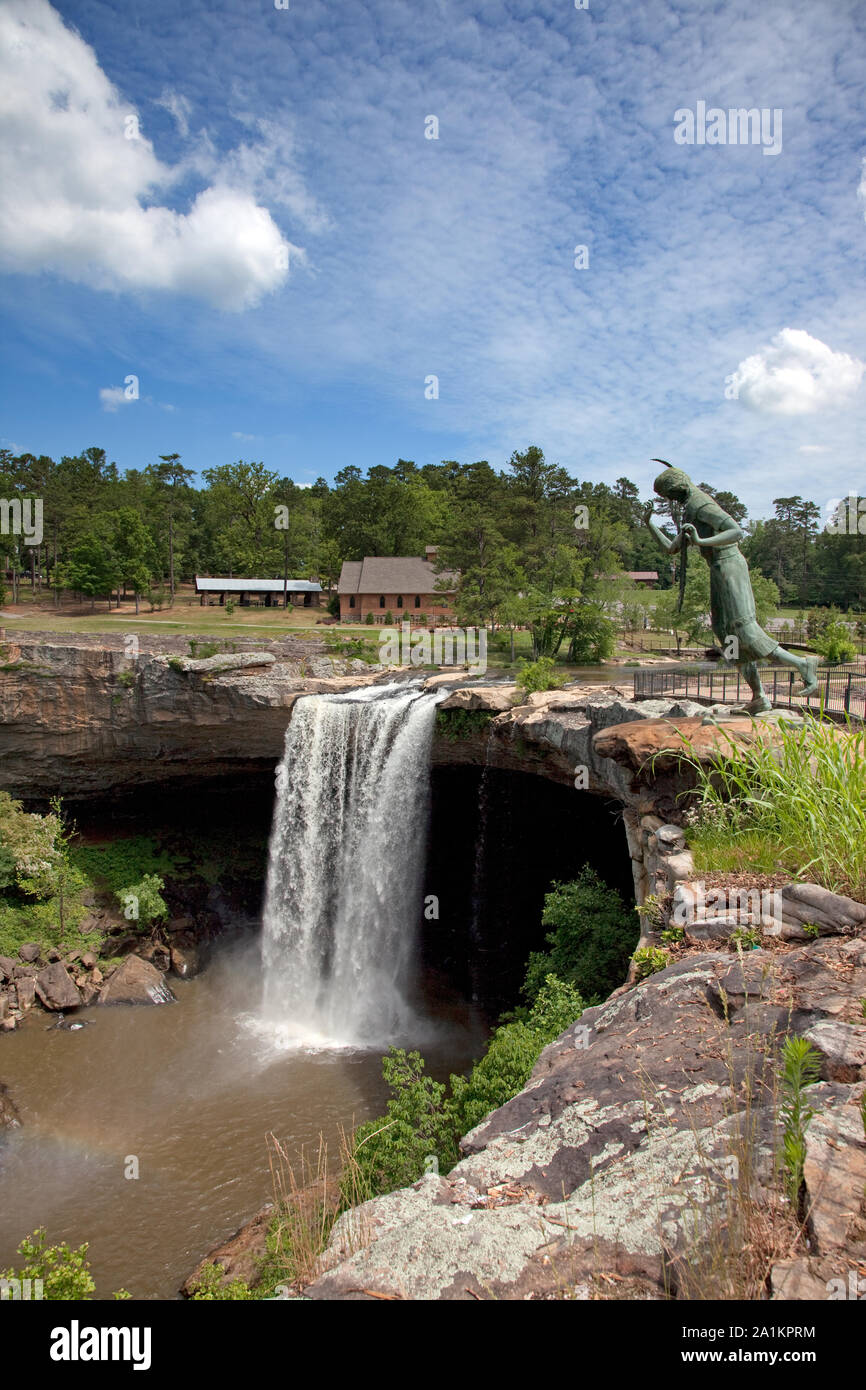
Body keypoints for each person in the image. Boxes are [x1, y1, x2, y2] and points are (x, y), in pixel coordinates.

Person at [645, 464, 818, 714]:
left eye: (670, 495)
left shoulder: (700, 504)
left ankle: (802, 664)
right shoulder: (689, 508)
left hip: (730, 567)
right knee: (726, 634)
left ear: (678, 486)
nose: (671, 501)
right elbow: (672, 548)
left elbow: (735, 531)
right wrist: (649, 523)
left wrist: (702, 541)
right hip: (717, 570)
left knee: (743, 628)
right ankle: (759, 696)